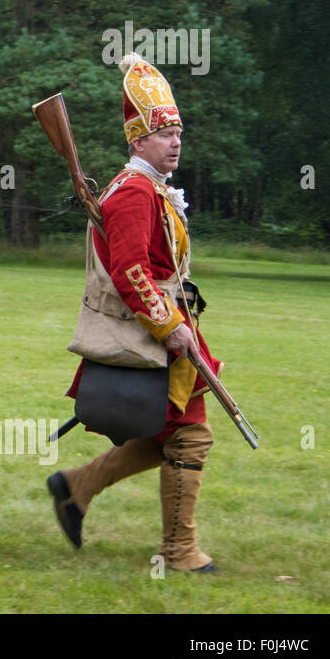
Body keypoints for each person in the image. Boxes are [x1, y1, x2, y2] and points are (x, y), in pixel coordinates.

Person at [47, 53, 220, 572]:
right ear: (137, 141)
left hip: (170, 326)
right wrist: (170, 328)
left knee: (166, 433)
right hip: (157, 330)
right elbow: (130, 272)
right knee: (189, 435)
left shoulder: (147, 190)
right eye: (164, 134)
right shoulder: (135, 193)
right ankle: (179, 550)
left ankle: (77, 487)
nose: (175, 143)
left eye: (178, 134)